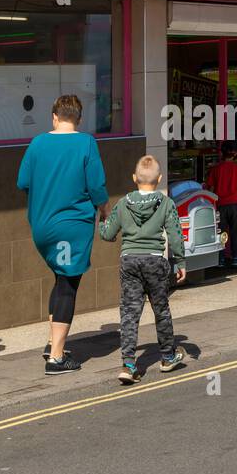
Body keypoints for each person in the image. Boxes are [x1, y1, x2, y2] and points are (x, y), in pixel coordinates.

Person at [17, 94, 109, 376]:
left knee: (60, 279)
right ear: (78, 119)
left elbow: (23, 182)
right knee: (68, 285)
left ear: (54, 117)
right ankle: (56, 358)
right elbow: (96, 185)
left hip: (42, 226)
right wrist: (104, 210)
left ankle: (51, 343)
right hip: (71, 226)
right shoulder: (86, 142)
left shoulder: (37, 143)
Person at [99, 155, 187, 385]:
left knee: (129, 312)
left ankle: (128, 365)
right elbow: (176, 235)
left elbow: (108, 234)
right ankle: (168, 356)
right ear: (159, 179)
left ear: (134, 178)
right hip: (155, 262)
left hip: (129, 260)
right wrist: (180, 262)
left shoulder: (123, 203)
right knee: (161, 309)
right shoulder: (166, 203)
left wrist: (101, 221)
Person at [204, 144, 237, 268]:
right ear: (234, 154)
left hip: (220, 205)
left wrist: (211, 205)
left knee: (220, 233)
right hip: (235, 204)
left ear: (222, 154)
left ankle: (220, 259)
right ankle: (236, 258)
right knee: (235, 233)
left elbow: (211, 188)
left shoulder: (216, 169)